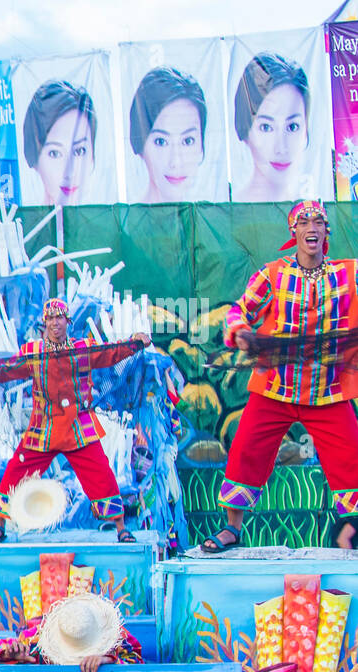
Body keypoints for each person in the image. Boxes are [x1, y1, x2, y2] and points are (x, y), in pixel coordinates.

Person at [203, 201, 358, 551]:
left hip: (327, 390)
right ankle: (232, 529)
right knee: (246, 450)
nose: (312, 227)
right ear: (295, 233)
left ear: (326, 233)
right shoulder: (273, 273)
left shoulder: (348, 273)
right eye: (305, 222)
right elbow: (240, 311)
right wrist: (240, 331)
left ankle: (351, 533)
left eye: (319, 221)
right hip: (277, 388)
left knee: (352, 457)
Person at [0, 298, 148, 543]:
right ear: (44, 323)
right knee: (15, 472)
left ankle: (120, 526)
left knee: (101, 473)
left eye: (59, 318)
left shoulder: (83, 349)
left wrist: (134, 343)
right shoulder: (34, 353)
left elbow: (110, 352)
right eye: (50, 319)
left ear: (68, 321)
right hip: (44, 427)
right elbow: (7, 367)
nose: (54, 323)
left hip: (78, 427)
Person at [0, 592, 142, 672]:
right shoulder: (38, 638)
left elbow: (139, 668)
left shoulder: (116, 635)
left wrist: (107, 660)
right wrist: (7, 654)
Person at [233, 53, 310, 203]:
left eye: (292, 127)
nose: (281, 147)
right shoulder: (232, 212)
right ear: (245, 128)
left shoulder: (315, 211)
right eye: (266, 127)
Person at [129, 67, 207, 203]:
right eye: (161, 142)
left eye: (188, 141)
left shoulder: (211, 218)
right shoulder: (126, 222)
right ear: (140, 145)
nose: (176, 162)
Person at [23, 80, 97, 206]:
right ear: (34, 158)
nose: (70, 171)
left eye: (79, 151)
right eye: (55, 153)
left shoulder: (107, 224)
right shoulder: (21, 225)